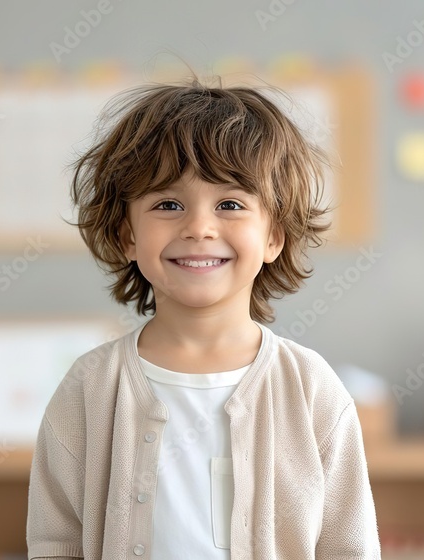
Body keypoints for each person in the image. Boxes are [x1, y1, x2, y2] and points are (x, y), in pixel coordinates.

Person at [27, 70, 380, 560]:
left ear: (273, 236)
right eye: (168, 203)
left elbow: (350, 545)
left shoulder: (311, 387)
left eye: (230, 204)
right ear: (128, 235)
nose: (199, 227)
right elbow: (55, 539)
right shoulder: (90, 386)